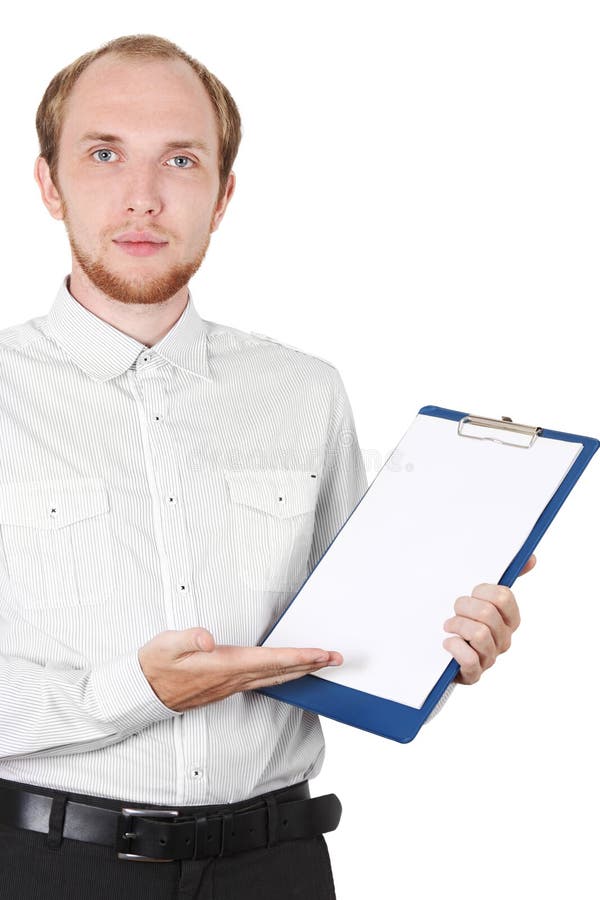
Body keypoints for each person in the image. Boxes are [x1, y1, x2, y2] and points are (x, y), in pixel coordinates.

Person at [0, 33, 534, 900]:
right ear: (49, 184)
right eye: (105, 154)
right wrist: (135, 691)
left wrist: (444, 648)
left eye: (180, 159)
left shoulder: (305, 392)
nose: (143, 197)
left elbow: (353, 647)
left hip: (275, 866)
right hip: (40, 870)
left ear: (223, 194)